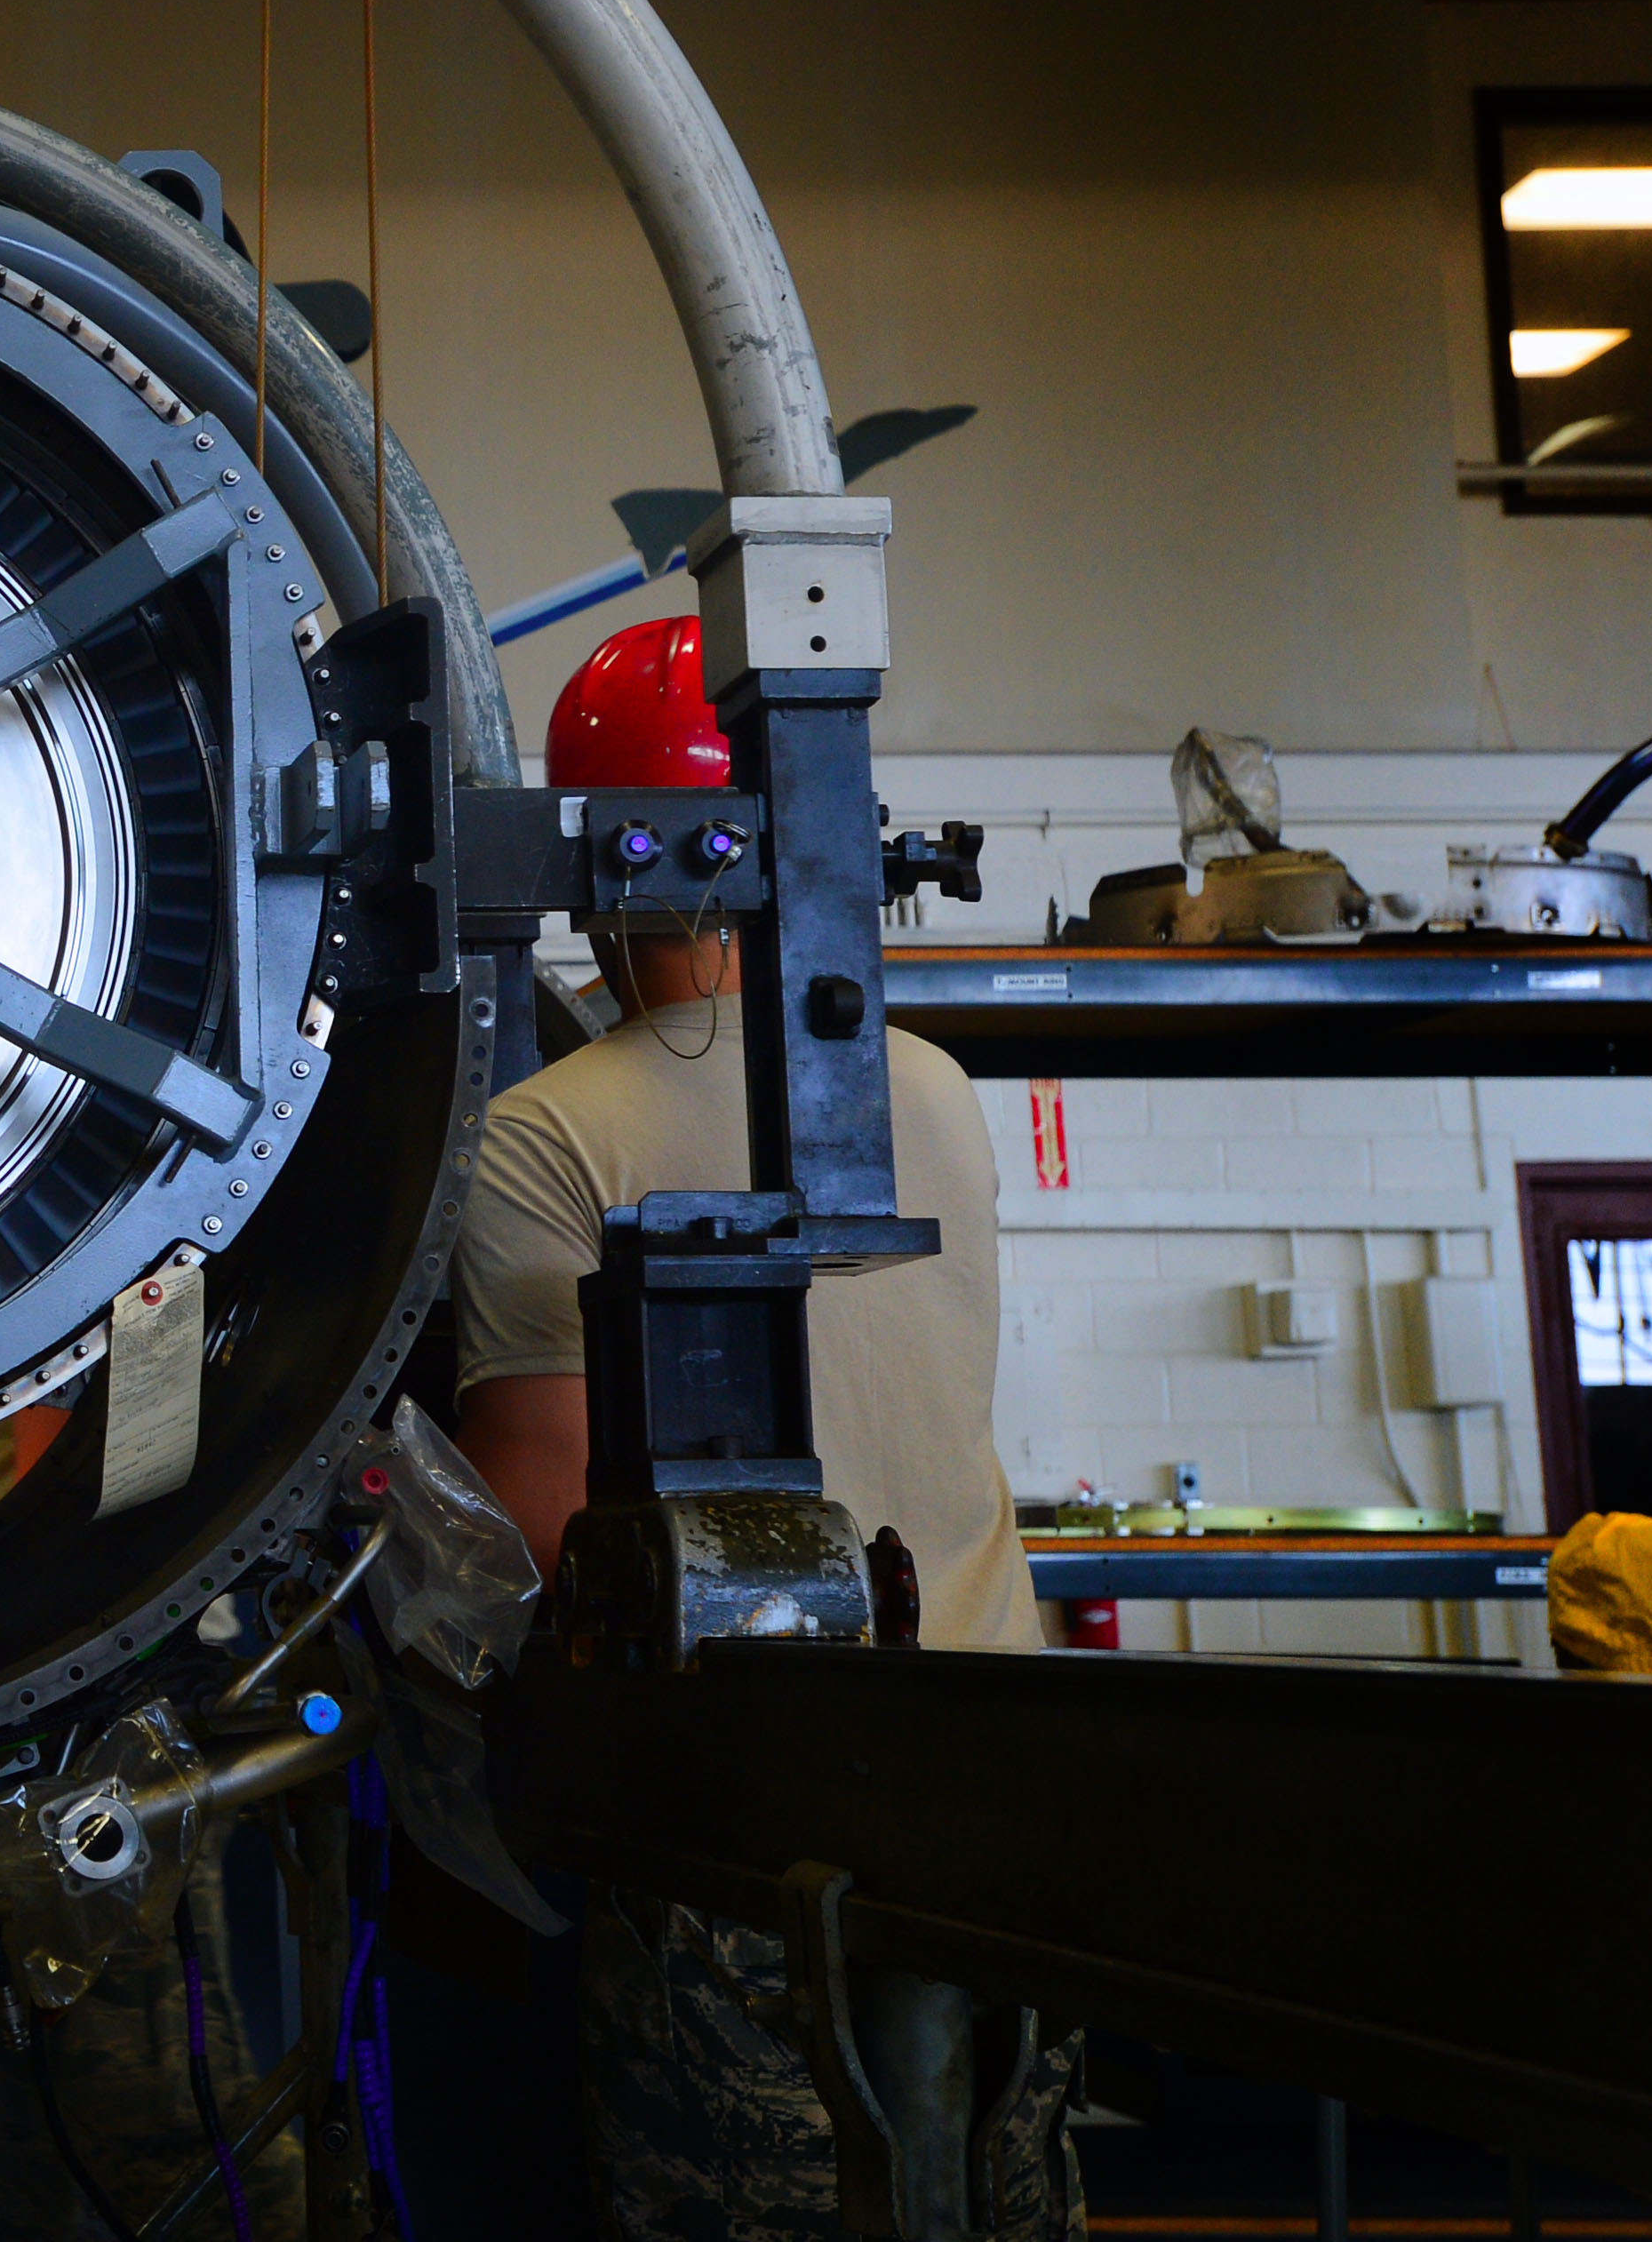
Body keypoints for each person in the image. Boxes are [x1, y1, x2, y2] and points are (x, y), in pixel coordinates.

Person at [443, 614, 1075, 2242]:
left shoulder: (544, 1134)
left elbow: (540, 1536)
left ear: (592, 864)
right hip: (998, 1795)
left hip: (754, 1838)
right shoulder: (929, 1088)